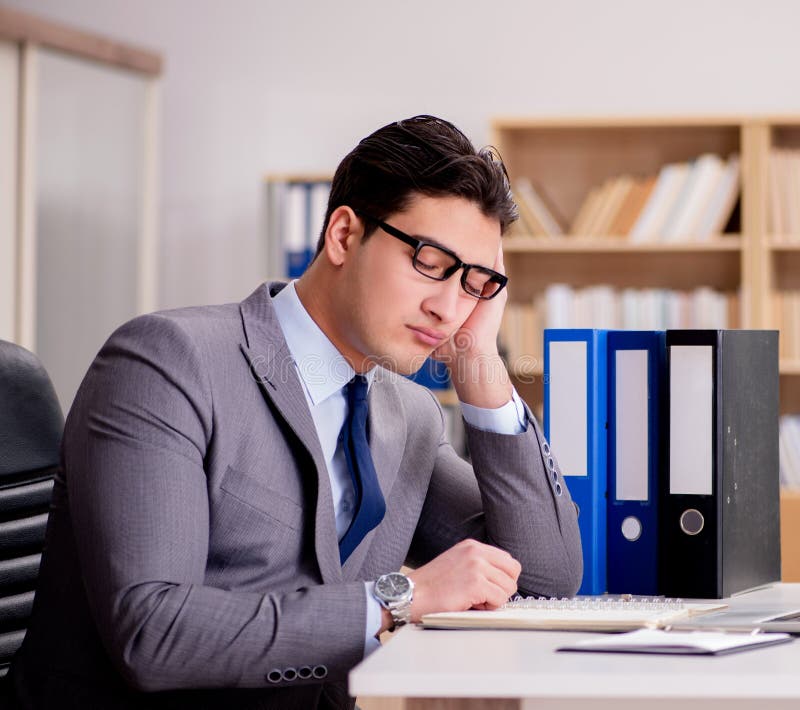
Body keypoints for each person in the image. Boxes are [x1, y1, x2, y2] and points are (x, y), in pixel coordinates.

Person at [9, 115, 582, 709]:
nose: (447, 307)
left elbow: (544, 581)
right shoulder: (168, 362)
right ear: (342, 235)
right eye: (432, 263)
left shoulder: (408, 416)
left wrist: (479, 361)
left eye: (475, 284)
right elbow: (154, 632)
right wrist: (398, 598)